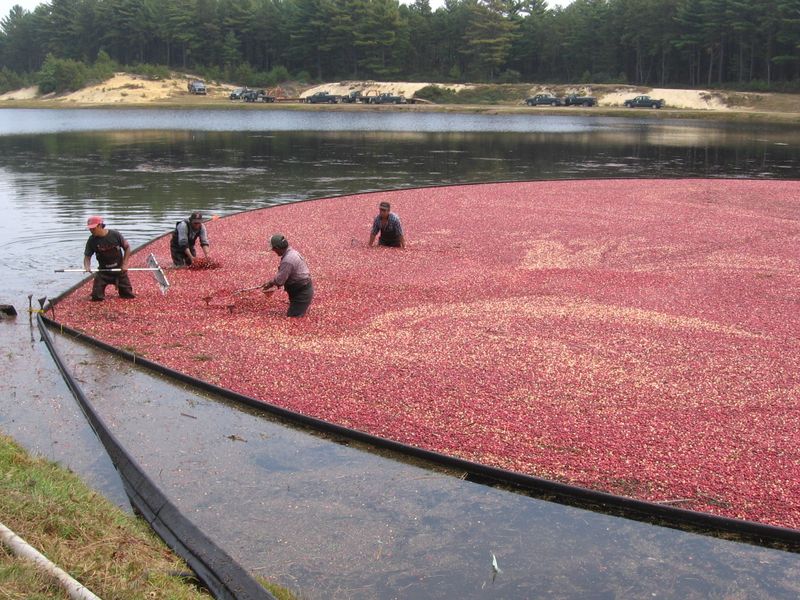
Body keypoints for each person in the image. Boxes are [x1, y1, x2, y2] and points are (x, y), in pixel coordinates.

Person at [83, 216, 135, 301]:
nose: (91, 231)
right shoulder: (91, 240)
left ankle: (123, 288)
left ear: (100, 226)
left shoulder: (115, 235)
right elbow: (87, 256)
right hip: (103, 272)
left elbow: (127, 248)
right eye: (90, 229)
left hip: (119, 270)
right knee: (96, 298)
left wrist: (125, 264)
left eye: (93, 228)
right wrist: (87, 266)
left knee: (128, 296)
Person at [262, 234, 314, 317]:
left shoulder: (288, 260)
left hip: (301, 294)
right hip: (302, 289)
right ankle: (300, 307)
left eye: (274, 249)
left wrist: (270, 283)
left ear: (278, 248)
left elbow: (280, 280)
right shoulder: (292, 252)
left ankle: (301, 308)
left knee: (292, 317)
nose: (274, 251)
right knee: (294, 313)